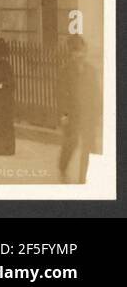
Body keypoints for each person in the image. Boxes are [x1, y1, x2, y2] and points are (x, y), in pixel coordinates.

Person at [57, 36, 100, 184]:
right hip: (72, 114)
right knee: (72, 142)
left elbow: (96, 94)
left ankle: (83, 179)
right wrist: (64, 114)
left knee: (88, 146)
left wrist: (97, 114)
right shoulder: (65, 71)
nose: (80, 55)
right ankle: (62, 165)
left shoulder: (91, 71)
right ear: (71, 53)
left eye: (82, 51)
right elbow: (61, 95)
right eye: (76, 52)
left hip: (87, 114)